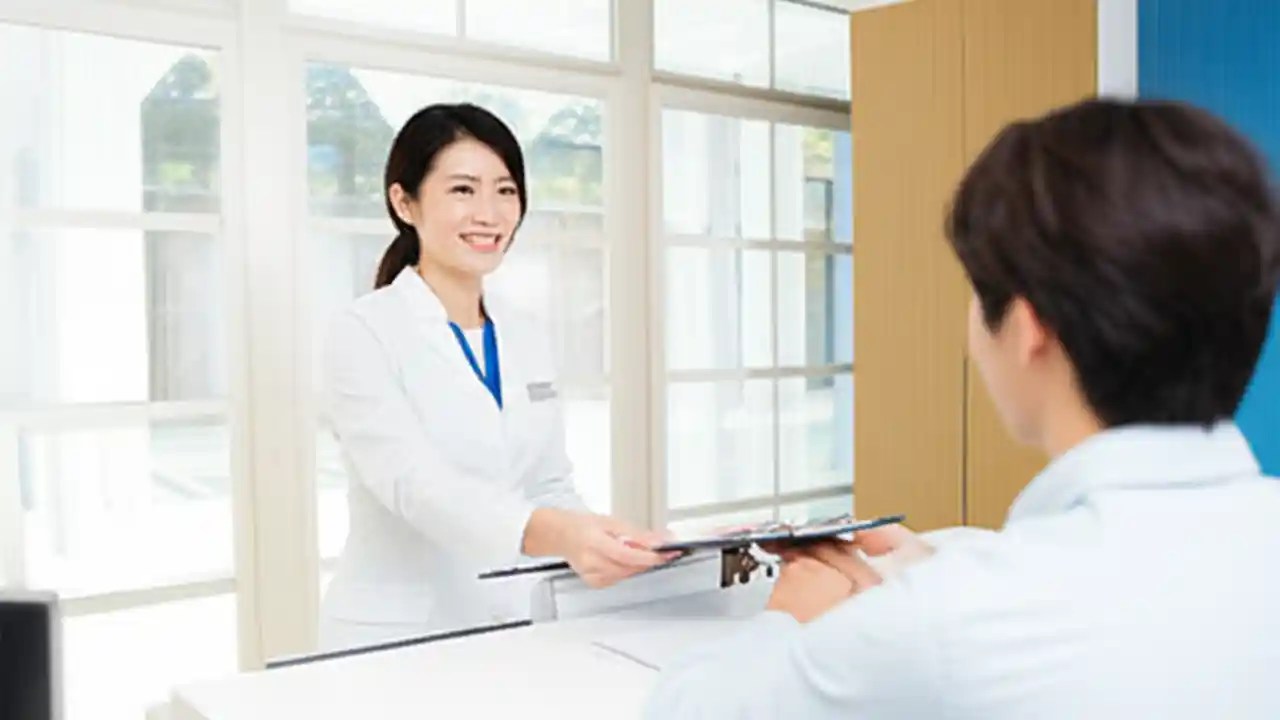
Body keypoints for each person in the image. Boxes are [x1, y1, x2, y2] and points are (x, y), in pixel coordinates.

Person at [645, 98, 1280, 718]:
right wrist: (933, 562)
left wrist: (790, 617)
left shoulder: (954, 621)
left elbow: (685, 710)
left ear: (1032, 328)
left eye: (978, 297)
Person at [319, 103, 670, 650]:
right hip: (396, 636)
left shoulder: (525, 333)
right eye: (463, 190)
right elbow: (416, 485)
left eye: (505, 191)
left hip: (510, 621)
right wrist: (561, 535)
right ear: (404, 202)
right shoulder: (362, 331)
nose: (490, 213)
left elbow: (549, 481)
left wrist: (610, 541)